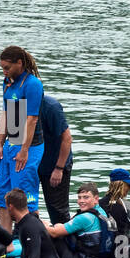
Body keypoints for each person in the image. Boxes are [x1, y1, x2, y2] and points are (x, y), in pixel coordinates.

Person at [0, 45, 45, 229]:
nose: (4, 71)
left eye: (7, 67)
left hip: (30, 146)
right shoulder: (7, 82)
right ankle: (6, 239)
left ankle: (31, 237)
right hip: (11, 143)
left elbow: (31, 119)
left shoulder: (32, 84)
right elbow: (6, 114)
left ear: (19, 63)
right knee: (3, 196)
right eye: (2, 68)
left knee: (23, 197)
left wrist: (24, 150)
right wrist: (0, 144)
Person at [46, 181, 116, 258]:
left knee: (55, 237)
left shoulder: (85, 217)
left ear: (96, 199)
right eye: (79, 197)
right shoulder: (101, 211)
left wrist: (39, 222)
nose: (81, 201)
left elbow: (54, 233)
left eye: (86, 197)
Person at [36, 93, 74, 225]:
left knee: (57, 211)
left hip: (54, 163)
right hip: (31, 164)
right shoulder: (15, 101)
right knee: (25, 203)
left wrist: (59, 168)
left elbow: (67, 139)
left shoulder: (51, 106)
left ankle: (63, 235)